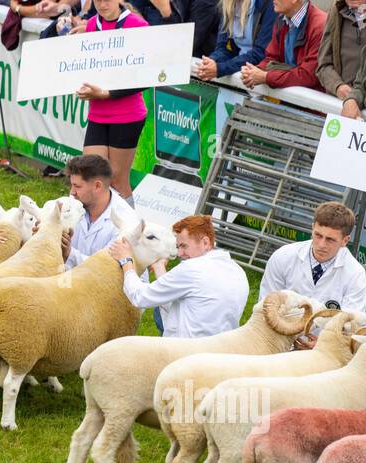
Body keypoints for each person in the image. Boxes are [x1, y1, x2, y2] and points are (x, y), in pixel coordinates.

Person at [106, 214, 250, 337]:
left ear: (205, 242)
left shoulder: (192, 269)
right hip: (220, 353)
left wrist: (126, 260)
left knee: (158, 306)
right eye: (178, 246)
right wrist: (159, 267)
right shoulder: (237, 271)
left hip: (185, 355)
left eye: (184, 246)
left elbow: (140, 297)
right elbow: (179, 293)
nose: (180, 254)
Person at [77, 0, 149, 203]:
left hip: (127, 114)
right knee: (91, 174)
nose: (101, 3)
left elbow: (146, 77)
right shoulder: (92, 25)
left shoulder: (138, 26)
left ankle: (129, 233)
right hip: (98, 113)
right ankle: (94, 231)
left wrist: (107, 94)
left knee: (117, 180)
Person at [259, 201, 366, 315]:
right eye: (318, 235)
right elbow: (266, 305)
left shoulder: (357, 273)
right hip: (280, 330)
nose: (321, 244)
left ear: (345, 240)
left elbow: (351, 322)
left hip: (326, 333)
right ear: (312, 229)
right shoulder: (283, 256)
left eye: (330, 239)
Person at [63, 153, 135, 268]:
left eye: (77, 186)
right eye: (72, 185)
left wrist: (68, 253)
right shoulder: (73, 202)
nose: (72, 192)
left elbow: (107, 267)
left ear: (97, 186)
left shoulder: (126, 221)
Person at [239, 0, 328, 91]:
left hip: (312, 102)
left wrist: (266, 77)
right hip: (293, 98)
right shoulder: (281, 20)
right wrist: (254, 71)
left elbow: (308, 75)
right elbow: (271, 58)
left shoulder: (320, 26)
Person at [195, 0, 275, 80]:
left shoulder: (269, 4)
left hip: (262, 75)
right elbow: (225, 48)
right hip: (241, 72)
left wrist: (220, 68)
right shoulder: (226, 4)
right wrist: (211, 61)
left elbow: (260, 53)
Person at [316, 0, 366, 100]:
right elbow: (323, 65)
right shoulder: (337, 10)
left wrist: (360, 98)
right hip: (339, 102)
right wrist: (338, 86)